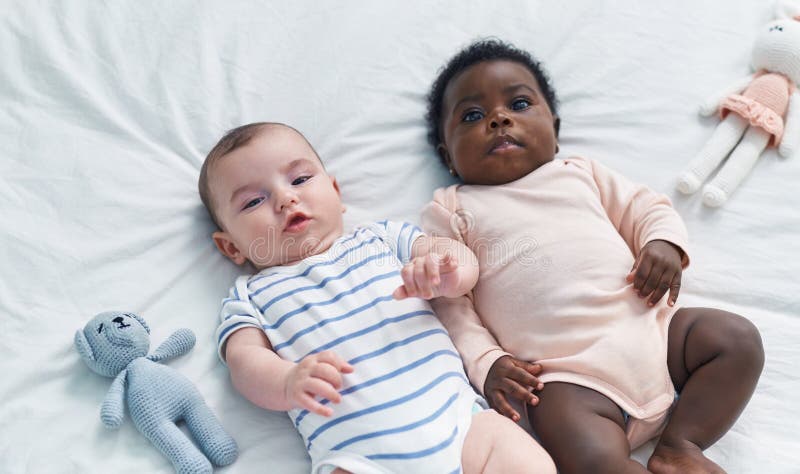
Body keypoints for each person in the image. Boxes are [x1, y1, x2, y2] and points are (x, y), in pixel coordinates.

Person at [421, 39, 765, 474]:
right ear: (447, 156)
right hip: (569, 377)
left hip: (655, 338)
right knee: (583, 450)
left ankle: (682, 444)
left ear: (556, 128)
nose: (499, 118)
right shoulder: (452, 208)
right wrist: (487, 363)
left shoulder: (579, 174)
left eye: (520, 103)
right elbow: (450, 306)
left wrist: (662, 244)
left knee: (736, 340)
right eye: (472, 115)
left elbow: (648, 208)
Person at [198, 122, 556, 474]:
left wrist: (444, 272)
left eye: (300, 180)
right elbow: (244, 362)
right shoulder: (250, 295)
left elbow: (460, 260)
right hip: (358, 459)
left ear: (336, 192)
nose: (284, 198)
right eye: (254, 201)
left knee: (527, 462)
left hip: (461, 423)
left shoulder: (381, 239)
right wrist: (287, 382)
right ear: (230, 246)